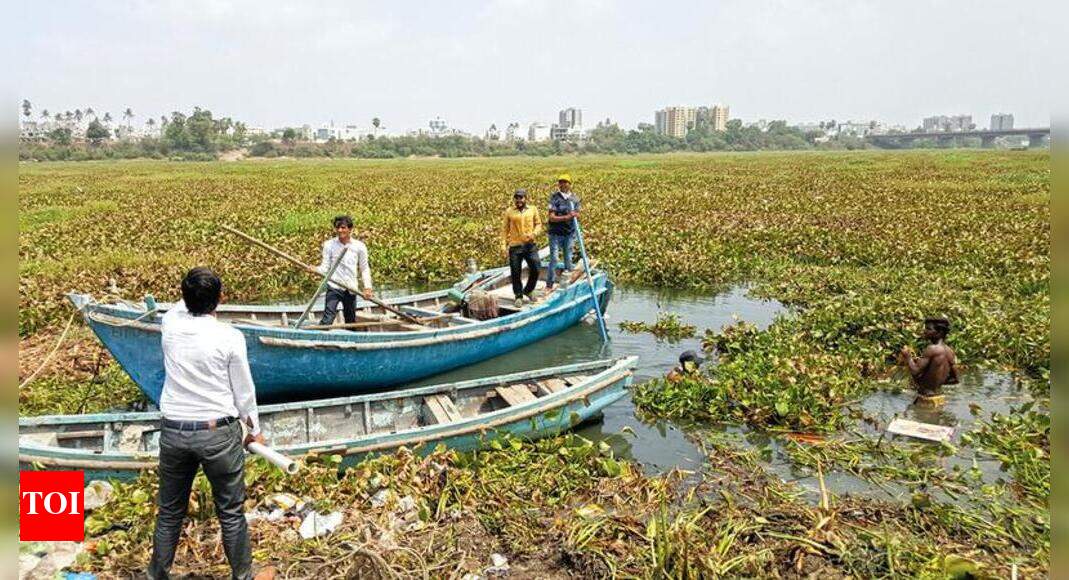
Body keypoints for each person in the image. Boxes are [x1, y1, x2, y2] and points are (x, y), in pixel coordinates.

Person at [149, 267, 266, 580]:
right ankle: (243, 576)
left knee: (170, 511)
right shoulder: (229, 336)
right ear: (220, 299)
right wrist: (254, 430)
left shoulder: (170, 324)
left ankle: (156, 575)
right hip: (217, 434)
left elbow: (179, 305)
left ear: (185, 298)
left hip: (174, 431)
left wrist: (191, 291)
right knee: (230, 511)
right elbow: (244, 392)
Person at [316, 215, 374, 326]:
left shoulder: (359, 246)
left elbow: (364, 268)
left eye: (343, 228)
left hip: (351, 288)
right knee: (328, 318)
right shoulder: (329, 245)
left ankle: (352, 341)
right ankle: (319, 337)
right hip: (334, 286)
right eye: (337, 228)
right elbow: (324, 267)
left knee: (351, 321)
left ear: (350, 229)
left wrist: (367, 288)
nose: (339, 230)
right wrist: (314, 269)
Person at [898, 317, 958, 401]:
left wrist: (908, 357)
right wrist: (935, 383)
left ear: (939, 332)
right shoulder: (950, 351)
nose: (925, 331)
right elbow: (955, 379)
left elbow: (915, 371)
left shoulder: (931, 349)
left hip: (926, 398)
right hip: (939, 397)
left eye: (928, 329)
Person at [502, 189, 543, 308]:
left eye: (521, 198)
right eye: (517, 198)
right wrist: (503, 246)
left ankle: (529, 290)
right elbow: (504, 230)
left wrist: (534, 234)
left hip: (530, 245)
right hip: (515, 246)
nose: (519, 200)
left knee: (536, 268)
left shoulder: (533, 209)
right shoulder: (509, 211)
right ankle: (518, 295)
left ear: (525, 198)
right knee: (515, 272)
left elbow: (538, 224)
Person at [545, 174, 581, 291]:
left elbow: (577, 213)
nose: (563, 184)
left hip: (569, 233)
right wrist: (567, 217)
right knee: (554, 259)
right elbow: (551, 217)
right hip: (555, 233)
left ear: (570, 184)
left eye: (565, 182)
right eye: (561, 182)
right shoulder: (554, 197)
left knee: (568, 259)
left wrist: (575, 215)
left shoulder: (575, 198)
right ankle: (549, 285)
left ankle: (568, 284)